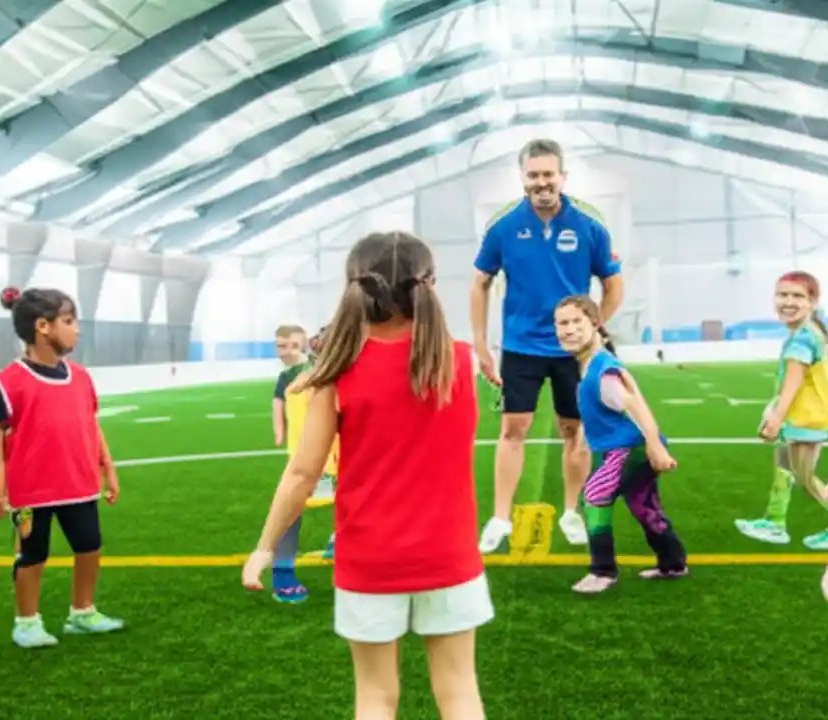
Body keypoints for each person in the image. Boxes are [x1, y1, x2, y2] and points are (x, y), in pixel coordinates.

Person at [243, 231, 490, 720]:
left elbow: (302, 473)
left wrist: (265, 548)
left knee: (376, 698)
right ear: (431, 285)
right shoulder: (463, 362)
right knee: (460, 692)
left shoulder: (338, 372)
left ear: (353, 287)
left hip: (369, 559)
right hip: (449, 552)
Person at [471, 138, 624, 553]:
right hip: (520, 347)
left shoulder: (589, 226)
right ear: (523, 178)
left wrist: (596, 328)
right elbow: (480, 282)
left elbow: (613, 283)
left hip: (573, 352)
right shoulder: (503, 227)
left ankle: (572, 511)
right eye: (534, 175)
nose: (542, 182)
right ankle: (500, 518)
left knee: (575, 431)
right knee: (512, 430)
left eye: (548, 174)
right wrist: (482, 344)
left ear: (562, 176)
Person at [0, 287, 124, 649]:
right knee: (32, 555)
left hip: (78, 484)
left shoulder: (80, 377)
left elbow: (91, 424)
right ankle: (27, 622)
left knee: (90, 546)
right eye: (69, 321)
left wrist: (107, 464)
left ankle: (82, 612)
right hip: (31, 491)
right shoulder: (8, 382)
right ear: (43, 326)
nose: (77, 329)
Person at [553, 295, 687, 594]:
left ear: (595, 324)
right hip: (624, 447)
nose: (569, 329)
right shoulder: (593, 366)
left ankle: (603, 570)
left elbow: (634, 405)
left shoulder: (602, 370)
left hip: (628, 448)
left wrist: (654, 446)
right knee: (644, 507)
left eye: (577, 322)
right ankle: (673, 562)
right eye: (563, 323)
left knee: (594, 495)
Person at [736, 271, 828, 550]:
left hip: (807, 419)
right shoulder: (807, 332)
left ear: (813, 302)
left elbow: (793, 384)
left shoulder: (802, 339)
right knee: (784, 467)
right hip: (804, 417)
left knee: (805, 478)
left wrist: (775, 418)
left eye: (797, 296)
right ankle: (774, 521)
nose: (787, 301)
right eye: (782, 295)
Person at [268, 324, 336, 603]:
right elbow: (285, 408)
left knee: (357, 500)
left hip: (342, 454)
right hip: (306, 456)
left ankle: (340, 543)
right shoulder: (294, 379)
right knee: (292, 511)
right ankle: (282, 572)